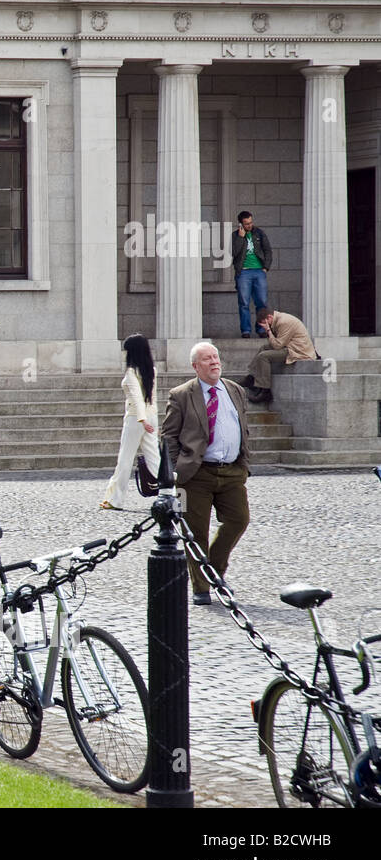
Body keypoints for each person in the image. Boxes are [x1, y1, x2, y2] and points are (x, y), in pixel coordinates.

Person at [161, 341, 251, 606]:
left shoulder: (235, 390)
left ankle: (214, 571)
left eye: (215, 357)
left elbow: (242, 426)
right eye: (207, 359)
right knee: (196, 532)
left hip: (232, 471)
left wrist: (244, 461)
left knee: (239, 520)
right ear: (195, 366)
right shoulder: (181, 394)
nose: (214, 362)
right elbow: (169, 436)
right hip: (196, 474)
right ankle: (201, 587)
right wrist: (178, 468)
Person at [100, 334, 159, 511]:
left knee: (125, 459)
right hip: (150, 416)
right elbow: (152, 398)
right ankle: (171, 492)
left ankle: (115, 499)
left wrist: (142, 419)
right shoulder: (151, 370)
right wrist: (151, 421)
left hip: (136, 418)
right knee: (154, 458)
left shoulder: (132, 372)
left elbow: (137, 398)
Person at [238, 306, 317, 404]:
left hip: (298, 351)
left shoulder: (283, 322)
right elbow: (275, 343)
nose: (264, 326)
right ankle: (252, 377)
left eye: (264, 323)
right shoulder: (277, 320)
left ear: (269, 317)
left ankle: (265, 391)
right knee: (263, 348)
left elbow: (277, 345)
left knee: (263, 356)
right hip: (289, 346)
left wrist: (268, 331)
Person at [230, 210, 272, 338]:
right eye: (247, 224)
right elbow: (234, 252)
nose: (250, 225)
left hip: (259, 271)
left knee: (262, 302)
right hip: (244, 272)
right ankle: (246, 331)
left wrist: (266, 267)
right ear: (241, 224)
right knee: (244, 302)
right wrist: (241, 237)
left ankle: (261, 329)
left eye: (251, 222)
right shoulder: (235, 235)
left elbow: (267, 250)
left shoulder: (259, 233)